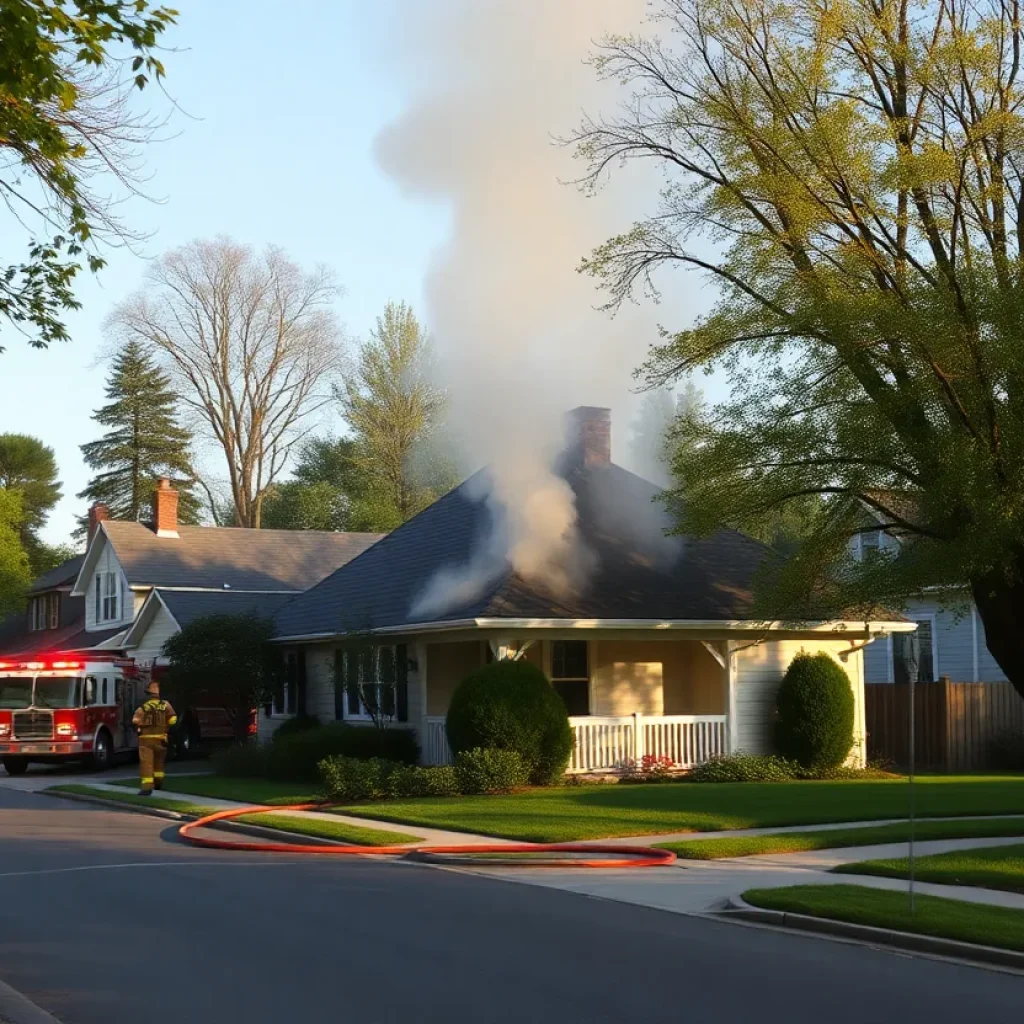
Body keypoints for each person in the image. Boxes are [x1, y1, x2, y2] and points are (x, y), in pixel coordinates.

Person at [132, 681, 177, 796]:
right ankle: (158, 783)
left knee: (147, 764)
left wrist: (139, 727)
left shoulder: (144, 707)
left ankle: (147, 788)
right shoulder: (166, 704)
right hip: (161, 739)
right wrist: (166, 727)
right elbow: (173, 719)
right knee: (159, 763)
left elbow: (135, 721)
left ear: (148, 695)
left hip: (146, 740)